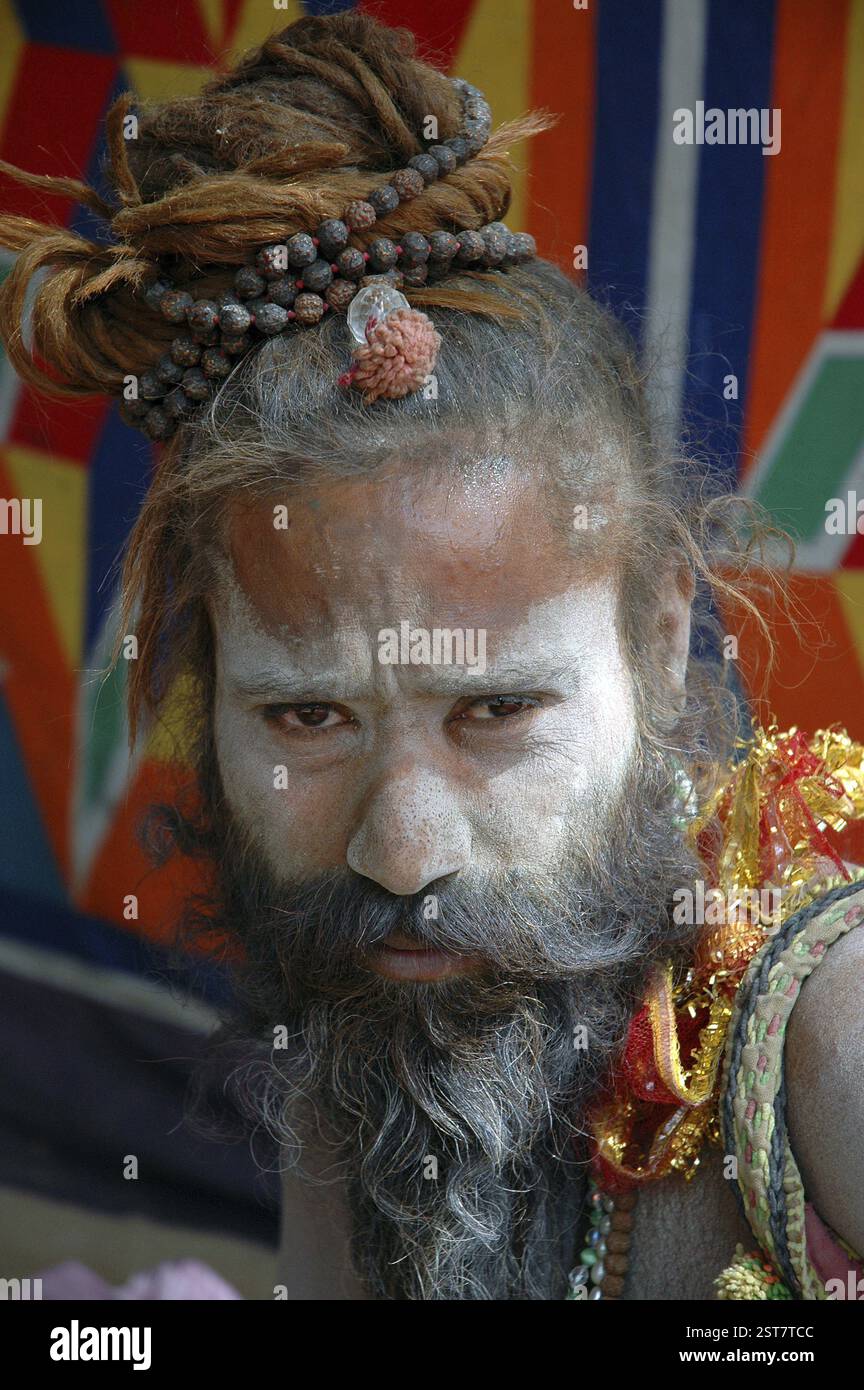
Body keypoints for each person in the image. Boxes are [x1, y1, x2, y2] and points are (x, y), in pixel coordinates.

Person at [2, 11, 863, 1303]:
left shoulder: (828, 1053)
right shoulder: (365, 1009)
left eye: (499, 707)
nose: (404, 853)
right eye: (306, 719)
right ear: (201, 681)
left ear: (660, 639)